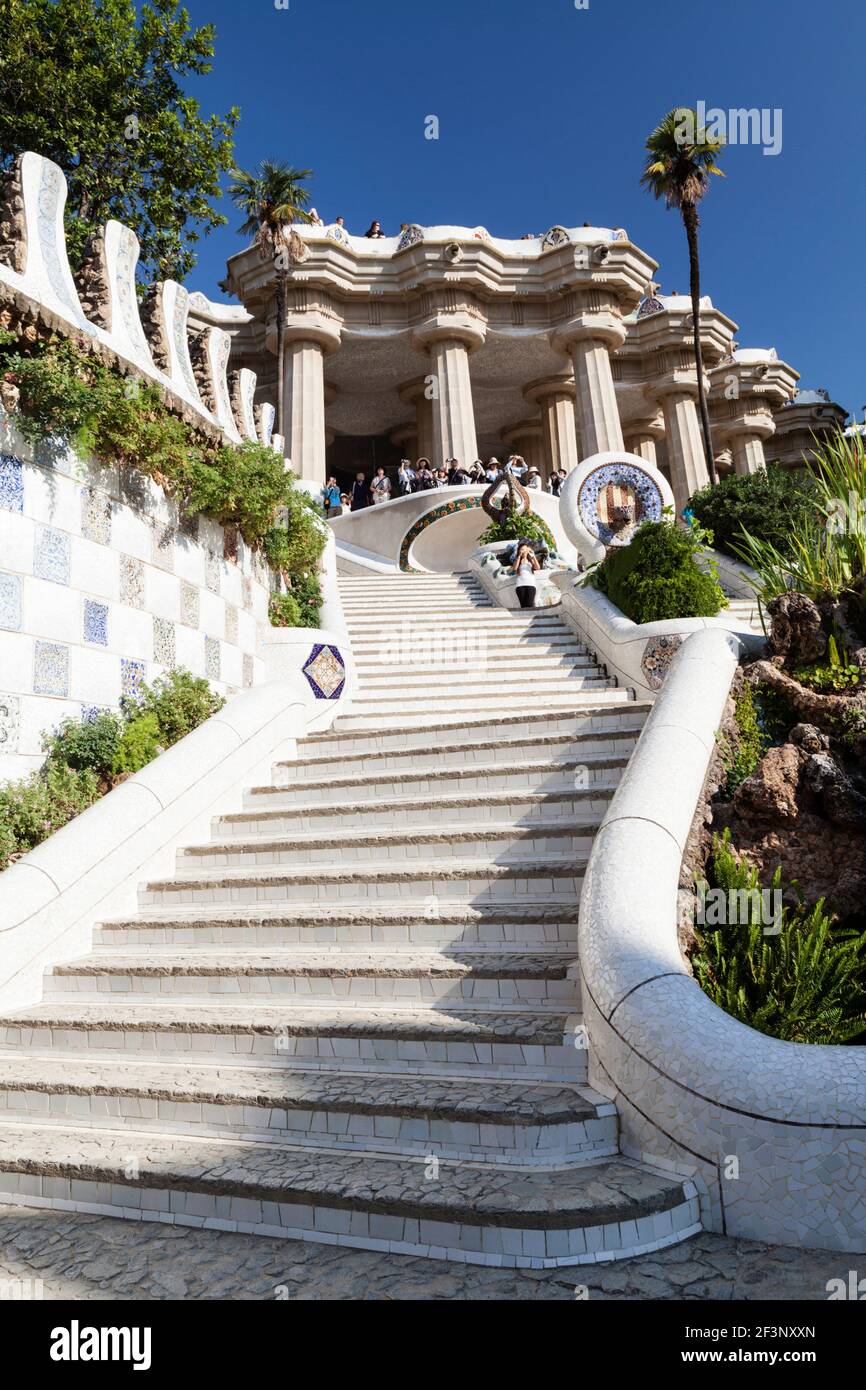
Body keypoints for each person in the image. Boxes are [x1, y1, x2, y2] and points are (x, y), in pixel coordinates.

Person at [511, 543, 540, 609]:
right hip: (520, 584)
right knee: (523, 606)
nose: (523, 550)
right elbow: (515, 568)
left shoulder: (531, 559)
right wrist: (519, 556)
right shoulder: (517, 560)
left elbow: (538, 568)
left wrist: (533, 556)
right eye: (522, 549)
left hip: (530, 584)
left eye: (525, 549)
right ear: (519, 550)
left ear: (527, 550)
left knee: (530, 605)